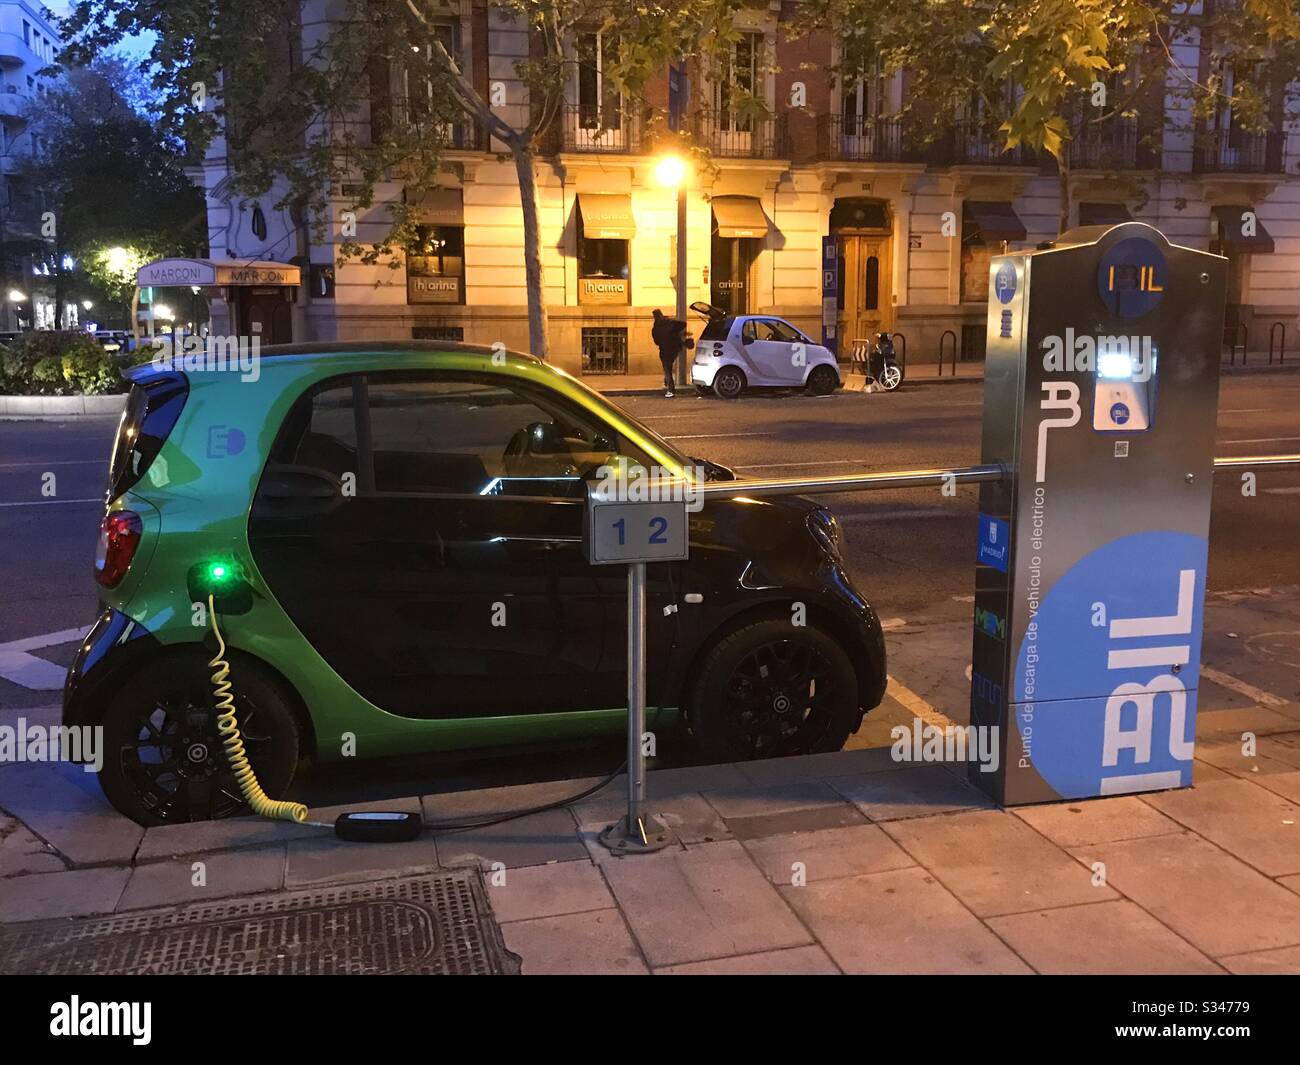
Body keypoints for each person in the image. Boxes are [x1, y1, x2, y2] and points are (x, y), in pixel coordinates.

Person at [651, 308, 688, 397]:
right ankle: (667, 382)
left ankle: (671, 389)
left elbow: (656, 341)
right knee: (668, 367)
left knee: (667, 369)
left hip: (664, 350)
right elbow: (683, 324)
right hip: (673, 349)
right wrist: (672, 321)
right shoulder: (669, 323)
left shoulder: (656, 328)